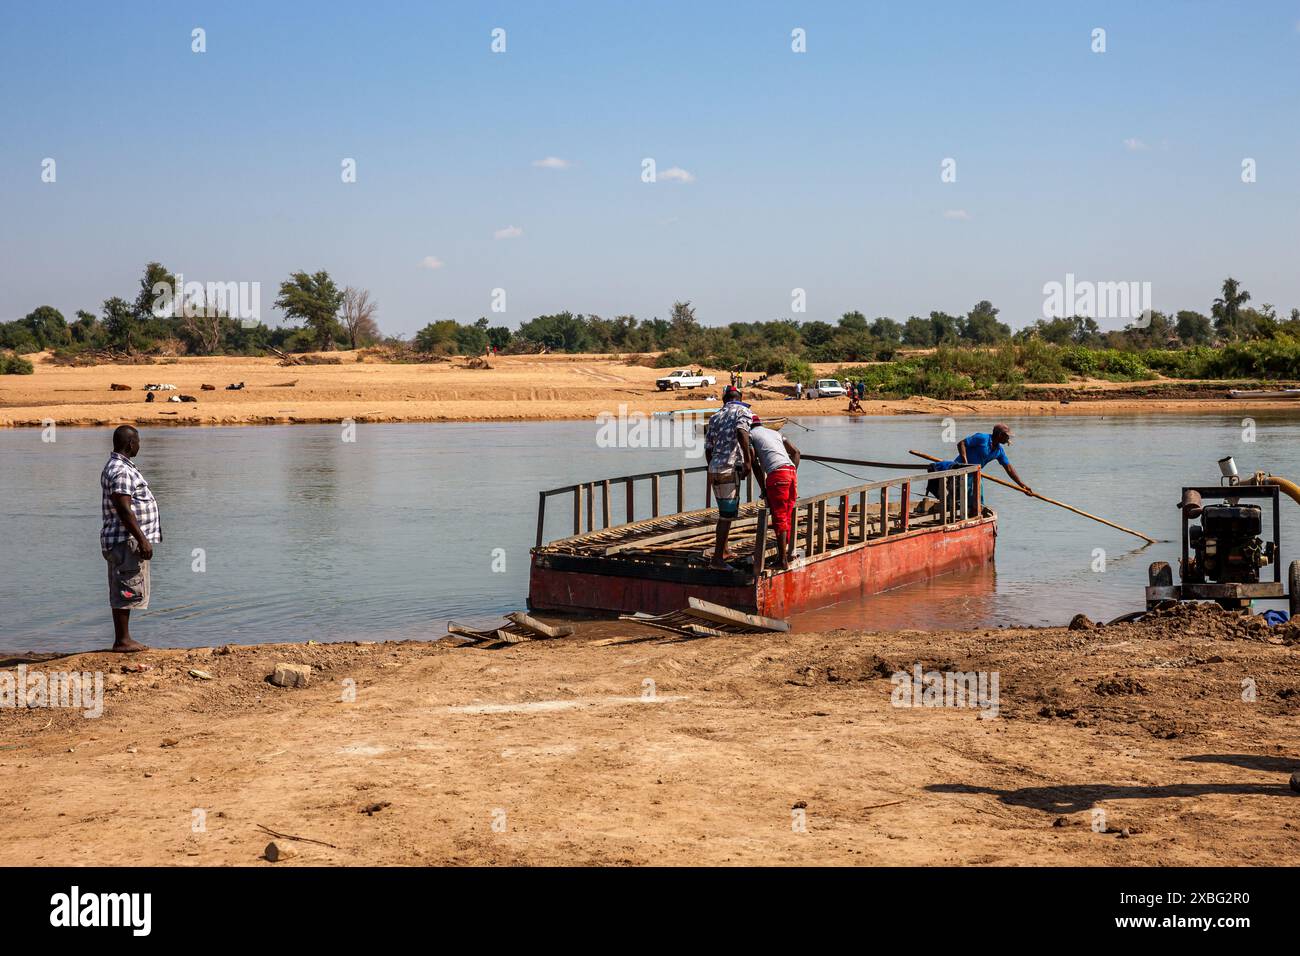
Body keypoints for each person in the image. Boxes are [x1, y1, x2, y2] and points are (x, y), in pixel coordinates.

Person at [100, 425, 161, 652]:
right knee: (127, 587)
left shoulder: (116, 466)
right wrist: (142, 539)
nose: (139, 446)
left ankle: (123, 639)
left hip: (120, 538)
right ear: (130, 444)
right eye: (137, 442)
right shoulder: (122, 470)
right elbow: (124, 508)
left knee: (123, 585)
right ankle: (123, 640)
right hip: (125, 539)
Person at [926, 423, 1031, 512]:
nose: (1008, 438)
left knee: (977, 500)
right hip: (959, 470)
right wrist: (966, 464)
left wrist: (1022, 486)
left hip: (975, 474)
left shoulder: (999, 450)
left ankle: (974, 512)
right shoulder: (982, 438)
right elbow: (961, 444)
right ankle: (953, 512)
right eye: (1006, 436)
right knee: (957, 498)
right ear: (999, 435)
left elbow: (1009, 468)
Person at [704, 385, 754, 570]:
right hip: (729, 468)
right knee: (726, 516)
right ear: (740, 397)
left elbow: (708, 447)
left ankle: (724, 550)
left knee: (725, 513)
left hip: (715, 468)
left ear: (724, 400)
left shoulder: (715, 417)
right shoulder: (743, 411)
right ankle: (717, 560)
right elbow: (742, 432)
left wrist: (711, 466)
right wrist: (748, 462)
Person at [749, 418, 801, 568]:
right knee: (787, 514)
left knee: (778, 517)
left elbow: (754, 464)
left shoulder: (751, 436)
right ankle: (788, 554)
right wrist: (791, 473)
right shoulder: (775, 433)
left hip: (777, 475)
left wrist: (763, 488)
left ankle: (782, 560)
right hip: (790, 472)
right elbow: (796, 452)